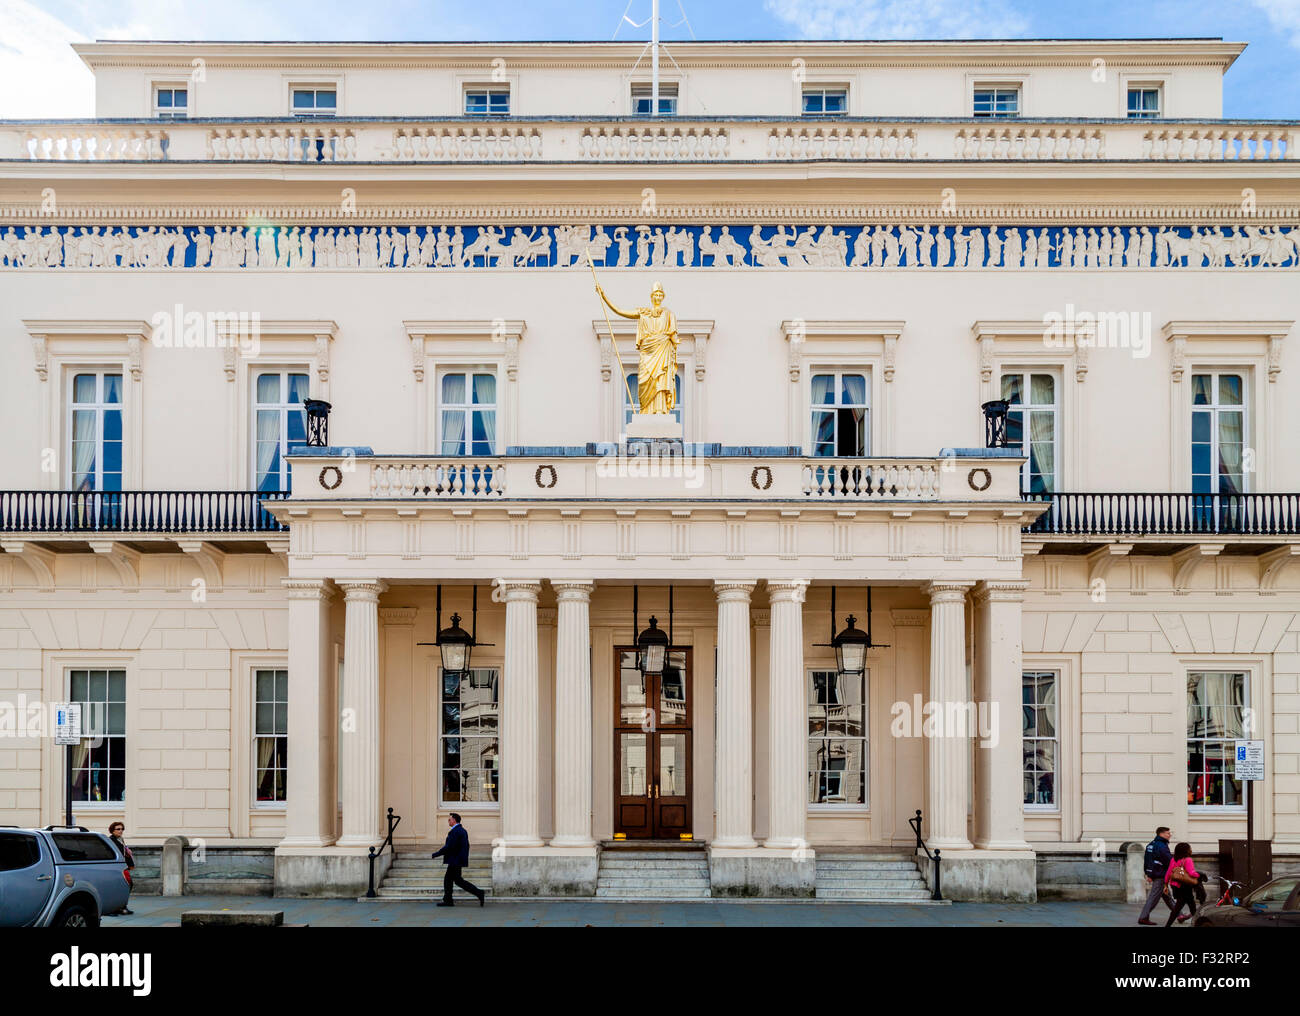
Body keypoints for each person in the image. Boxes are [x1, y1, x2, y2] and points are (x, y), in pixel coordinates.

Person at [431, 813, 484, 908]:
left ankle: (478, 893)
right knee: (453, 880)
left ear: (454, 820)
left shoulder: (456, 831)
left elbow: (449, 846)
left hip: (455, 860)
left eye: (449, 820)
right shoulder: (460, 830)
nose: (448, 821)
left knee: (453, 880)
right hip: (456, 859)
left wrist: (437, 854)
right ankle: (449, 900)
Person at [1137, 826, 1174, 925]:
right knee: (1153, 897)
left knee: (1167, 896)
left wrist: (1148, 873)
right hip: (1160, 874)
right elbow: (1169, 860)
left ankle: (1179, 915)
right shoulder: (1161, 845)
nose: (1170, 835)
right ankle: (1143, 917)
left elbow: (1147, 860)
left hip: (1155, 873)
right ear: (1161, 834)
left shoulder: (1151, 845)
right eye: (1168, 833)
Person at [1164, 842, 1200, 926]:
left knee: (1189, 906)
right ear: (1186, 850)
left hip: (1175, 886)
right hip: (1185, 886)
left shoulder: (1173, 859)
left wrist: (1165, 885)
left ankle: (1196, 923)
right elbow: (1191, 873)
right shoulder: (1188, 859)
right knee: (1181, 907)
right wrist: (1199, 874)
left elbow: (1168, 873)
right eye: (1189, 848)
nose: (1191, 850)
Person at [108, 821, 135, 915]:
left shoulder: (120, 839)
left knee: (127, 886)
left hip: (122, 867)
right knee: (117, 887)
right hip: (115, 868)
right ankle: (112, 909)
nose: (121, 831)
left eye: (122, 829)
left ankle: (122, 907)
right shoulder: (111, 840)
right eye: (118, 829)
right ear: (112, 830)